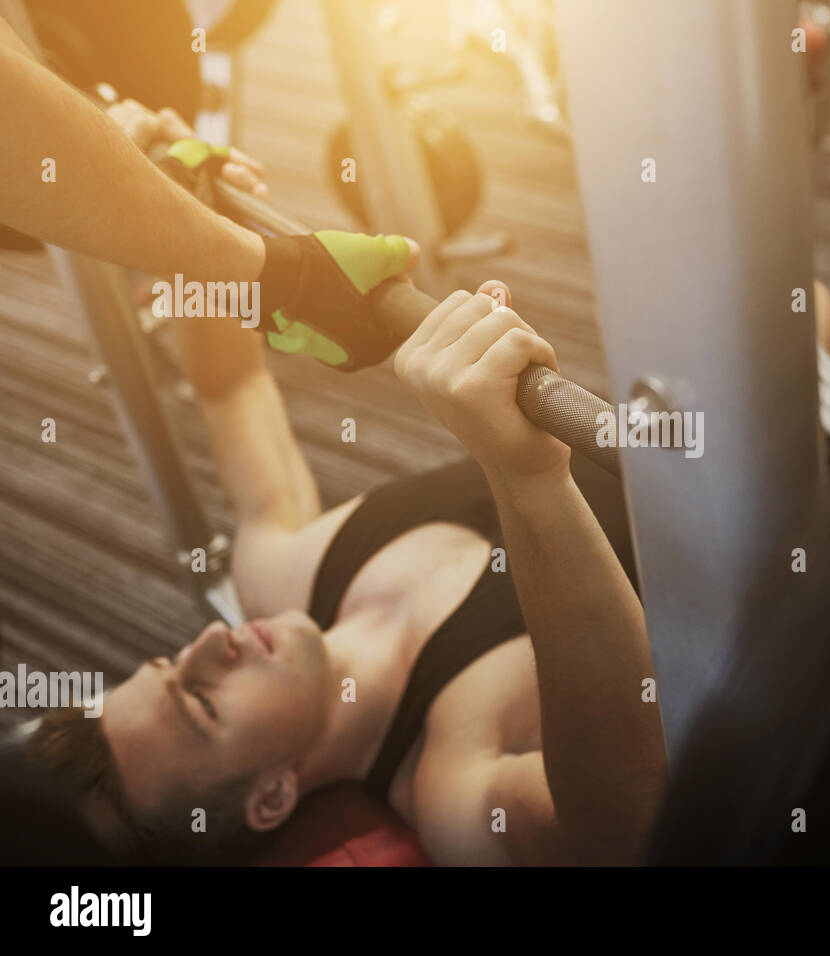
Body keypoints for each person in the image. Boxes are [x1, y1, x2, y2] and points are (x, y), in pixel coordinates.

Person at [2, 14, 667, 864]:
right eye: (203, 701)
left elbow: (234, 385)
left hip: (662, 418)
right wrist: (527, 478)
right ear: (273, 794)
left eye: (174, 663)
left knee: (798, 315)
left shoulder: (280, 570)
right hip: (775, 492)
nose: (215, 638)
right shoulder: (449, 775)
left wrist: (186, 210)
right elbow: (622, 818)